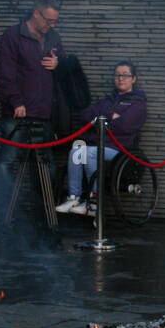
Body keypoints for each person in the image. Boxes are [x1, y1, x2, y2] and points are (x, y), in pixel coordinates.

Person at [0, 0, 67, 218]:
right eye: (48, 20)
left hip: (44, 112)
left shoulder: (53, 37)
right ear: (36, 13)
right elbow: (5, 73)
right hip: (17, 113)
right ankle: (0, 208)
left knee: (47, 165)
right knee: (7, 160)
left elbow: (64, 63)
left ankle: (43, 210)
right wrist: (16, 101)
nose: (51, 25)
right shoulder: (12, 36)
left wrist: (58, 64)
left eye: (54, 21)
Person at [57, 60, 147, 216]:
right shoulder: (107, 101)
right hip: (98, 145)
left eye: (125, 75)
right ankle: (74, 197)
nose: (121, 78)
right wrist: (111, 116)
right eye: (118, 75)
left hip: (120, 150)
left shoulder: (138, 104)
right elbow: (85, 116)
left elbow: (124, 126)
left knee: (90, 152)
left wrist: (100, 120)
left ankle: (94, 201)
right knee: (76, 151)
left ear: (134, 79)